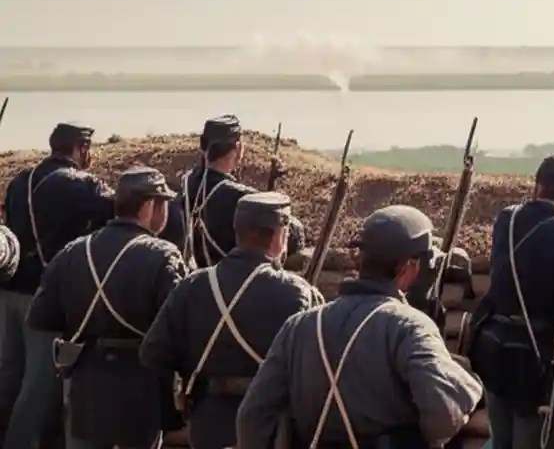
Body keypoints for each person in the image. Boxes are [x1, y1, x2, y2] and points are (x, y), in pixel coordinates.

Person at [237, 205, 483, 449]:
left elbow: (253, 415)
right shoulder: (410, 327)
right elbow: (444, 416)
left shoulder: (299, 325)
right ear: (410, 267)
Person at [140, 192, 324, 449]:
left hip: (208, 422)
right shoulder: (300, 293)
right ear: (279, 236)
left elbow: (153, 353)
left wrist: (173, 417)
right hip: (272, 426)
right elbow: (317, 370)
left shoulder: (193, 286)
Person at [27, 166, 190, 449]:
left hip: (86, 386)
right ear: (150, 205)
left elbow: (41, 316)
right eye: (164, 203)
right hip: (139, 389)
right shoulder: (163, 256)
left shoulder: (74, 251)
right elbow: (179, 327)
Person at [467, 155, 554, 449]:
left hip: (492, 343)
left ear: (538, 184)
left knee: (500, 437)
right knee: (529, 439)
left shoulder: (506, 219)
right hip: (533, 356)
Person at [1, 122, 115, 449]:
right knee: (39, 388)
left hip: (9, 289)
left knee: (8, 377)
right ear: (81, 149)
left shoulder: (20, 180)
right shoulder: (81, 184)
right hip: (43, 297)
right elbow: (118, 214)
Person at [166, 115, 305, 267]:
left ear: (203, 146)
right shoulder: (241, 198)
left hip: (196, 282)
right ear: (238, 149)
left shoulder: (185, 185)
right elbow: (295, 233)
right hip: (234, 285)